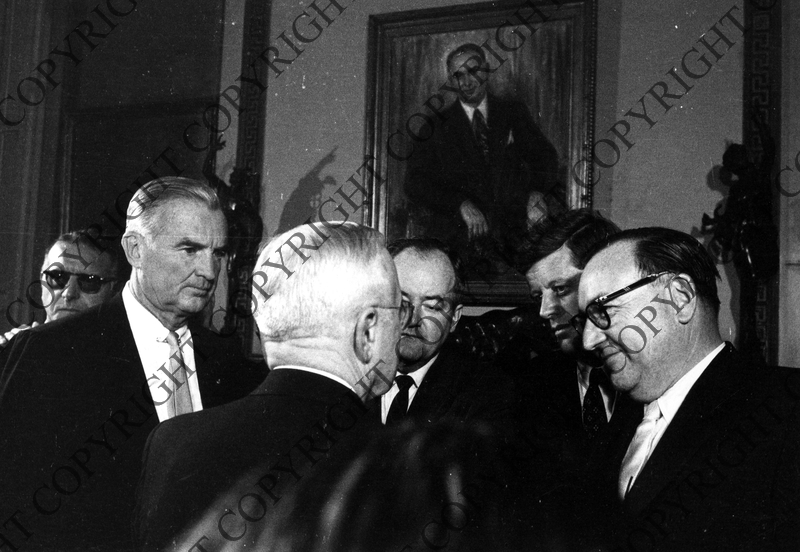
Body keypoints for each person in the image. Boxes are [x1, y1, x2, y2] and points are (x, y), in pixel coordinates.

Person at [0, 177, 265, 552]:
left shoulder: (226, 360)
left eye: (218, 253)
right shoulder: (47, 355)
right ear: (135, 249)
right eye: (189, 249)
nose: (209, 271)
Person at [135, 222, 405, 552]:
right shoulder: (404, 466)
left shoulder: (172, 441)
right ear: (368, 330)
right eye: (399, 309)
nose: (404, 327)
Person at [576, 227, 800, 551]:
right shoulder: (616, 422)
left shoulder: (785, 411)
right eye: (584, 319)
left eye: (603, 310)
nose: (588, 339)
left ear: (679, 297)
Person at [515, 209, 641, 549]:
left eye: (560, 288)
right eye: (538, 296)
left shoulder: (652, 374)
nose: (544, 310)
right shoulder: (528, 385)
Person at [404, 43, 559, 275]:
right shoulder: (436, 125)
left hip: (513, 238)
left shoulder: (512, 112)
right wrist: (460, 204)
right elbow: (415, 183)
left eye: (473, 71)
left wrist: (536, 193)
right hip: (461, 242)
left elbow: (546, 159)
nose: (467, 82)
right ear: (451, 80)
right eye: (458, 75)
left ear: (486, 69)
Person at [377, 238, 514, 429]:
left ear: (454, 318)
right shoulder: (347, 375)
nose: (412, 319)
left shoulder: (486, 392)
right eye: (401, 301)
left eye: (432, 307)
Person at [0, 230, 129, 347]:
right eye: (57, 277)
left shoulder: (125, 357)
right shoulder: (13, 348)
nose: (68, 293)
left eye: (89, 281)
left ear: (115, 290)